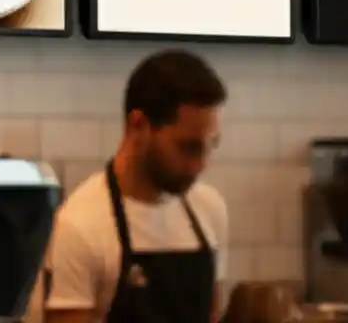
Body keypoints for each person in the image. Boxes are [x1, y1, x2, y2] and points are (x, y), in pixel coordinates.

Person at [42, 50, 229, 323]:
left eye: (211, 146)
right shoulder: (80, 226)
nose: (201, 165)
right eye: (188, 147)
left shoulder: (209, 209)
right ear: (138, 126)